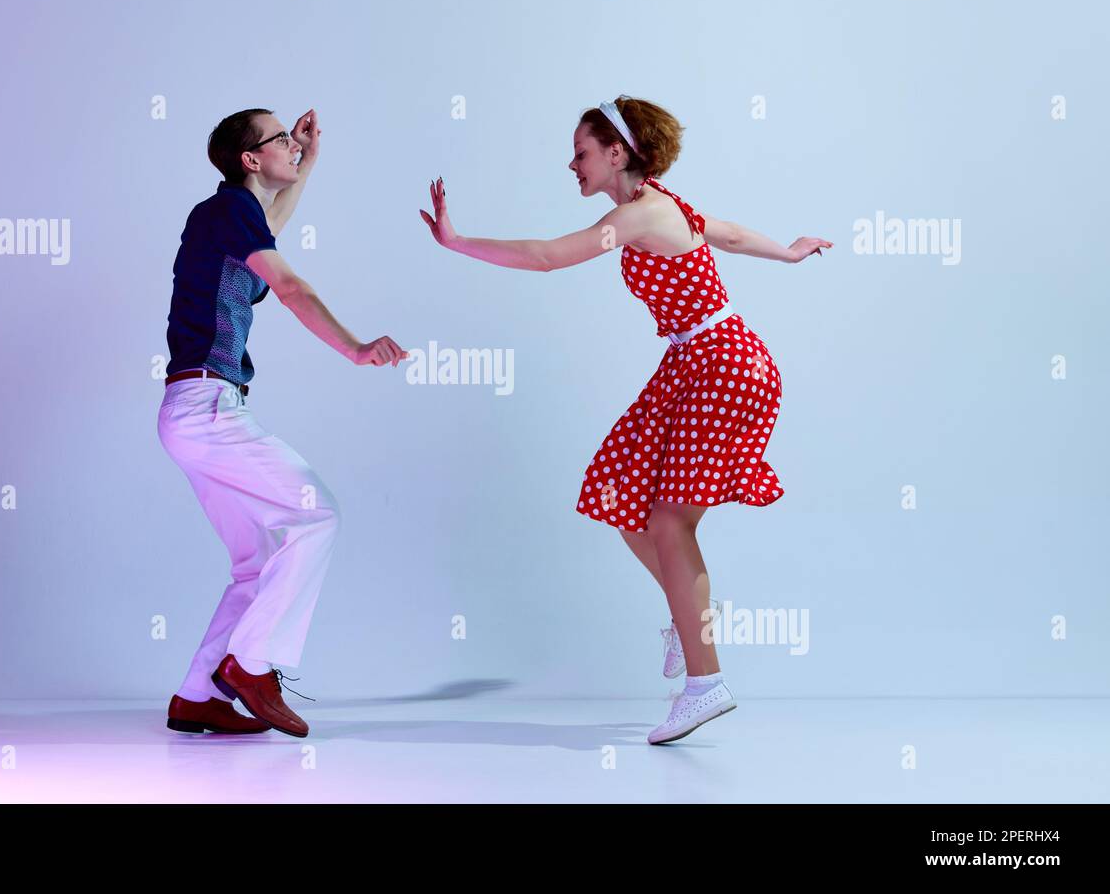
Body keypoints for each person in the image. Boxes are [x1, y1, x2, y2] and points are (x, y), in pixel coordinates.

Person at [419, 94, 830, 744]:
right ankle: (688, 612)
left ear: (617, 153)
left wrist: (457, 240)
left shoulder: (640, 217)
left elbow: (550, 256)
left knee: (668, 519)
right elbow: (726, 233)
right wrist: (787, 250)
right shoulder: (665, 205)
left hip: (722, 365)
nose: (571, 163)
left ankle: (706, 683)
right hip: (693, 363)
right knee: (616, 489)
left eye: (581, 151)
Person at [160, 107, 408, 738]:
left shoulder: (228, 216)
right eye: (281, 139)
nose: (293, 144)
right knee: (316, 515)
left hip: (192, 411)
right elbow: (292, 287)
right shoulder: (227, 210)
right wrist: (355, 347)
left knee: (257, 560)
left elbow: (270, 227)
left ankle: (197, 694)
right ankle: (250, 664)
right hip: (207, 407)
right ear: (250, 158)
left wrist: (306, 164)